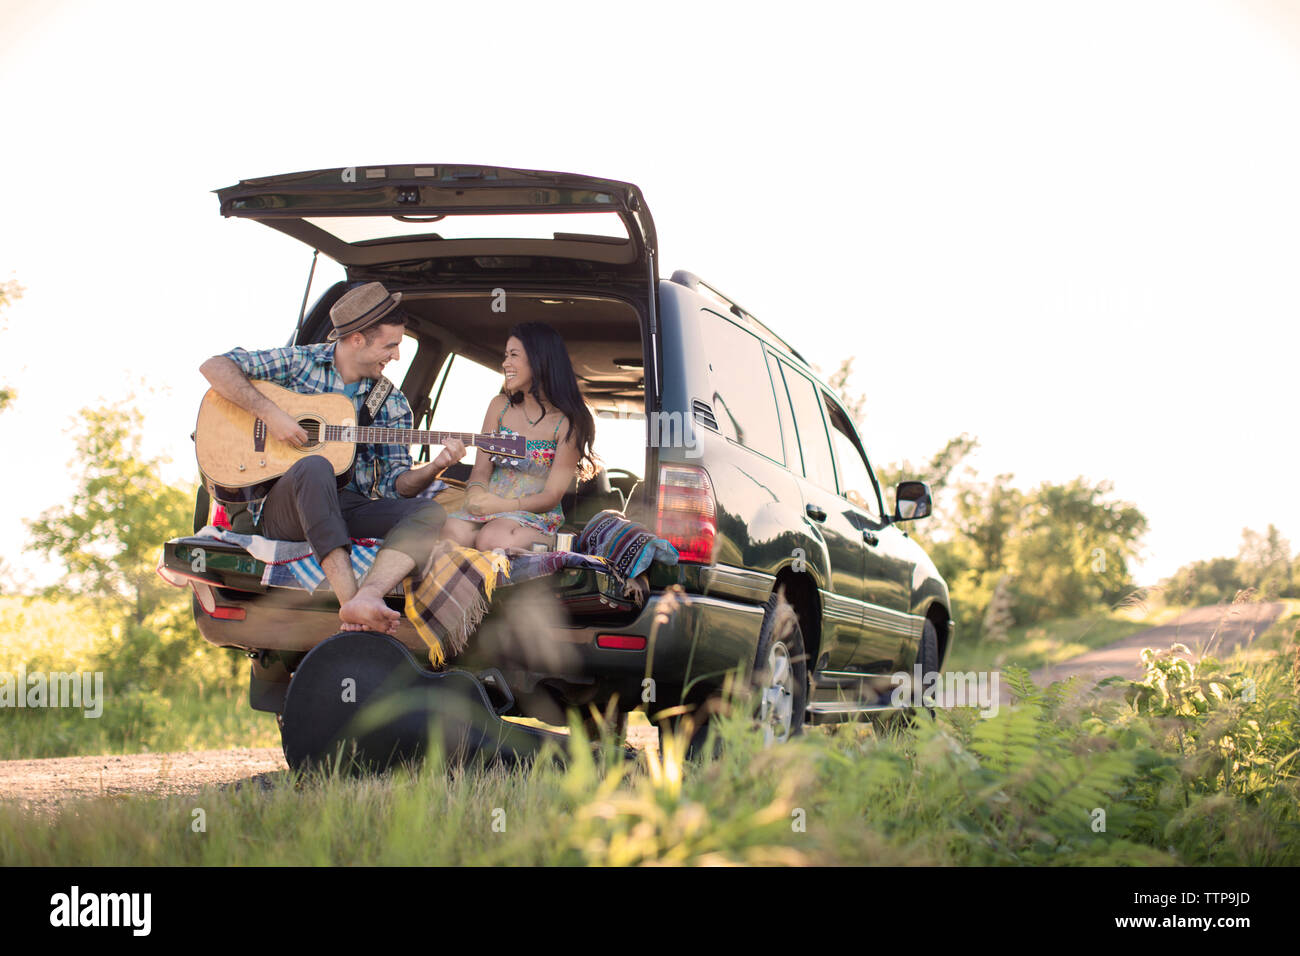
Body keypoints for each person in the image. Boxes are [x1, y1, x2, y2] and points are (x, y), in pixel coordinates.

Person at [199, 281, 467, 635]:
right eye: (391, 345)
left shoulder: (392, 402)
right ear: (356, 339)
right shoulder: (300, 363)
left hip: (346, 506)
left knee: (428, 511)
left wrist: (436, 466)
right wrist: (270, 414)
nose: (396, 356)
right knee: (315, 465)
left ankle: (369, 596)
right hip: (287, 508)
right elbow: (215, 367)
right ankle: (349, 602)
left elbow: (396, 485)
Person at [441, 322, 597, 552]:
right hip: (488, 505)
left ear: (540, 359)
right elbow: (481, 470)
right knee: (451, 531)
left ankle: (556, 545)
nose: (505, 363)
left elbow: (552, 495)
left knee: (492, 540)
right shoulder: (499, 406)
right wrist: (476, 493)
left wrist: (503, 506)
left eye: (513, 355)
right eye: (505, 356)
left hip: (533, 512)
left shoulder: (570, 422)